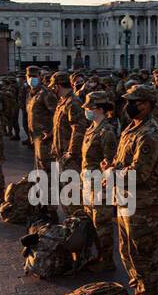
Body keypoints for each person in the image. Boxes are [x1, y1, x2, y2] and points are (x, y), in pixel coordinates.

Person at [107, 84, 158, 295]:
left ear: (148, 104)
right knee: (127, 251)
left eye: (135, 101)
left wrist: (113, 173)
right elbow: (122, 161)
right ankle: (138, 292)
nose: (129, 105)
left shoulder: (150, 134)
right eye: (128, 101)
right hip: (126, 200)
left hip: (143, 205)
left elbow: (139, 173)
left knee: (142, 255)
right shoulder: (132, 129)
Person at [81, 90, 119, 273]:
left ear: (98, 109)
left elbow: (110, 161)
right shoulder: (92, 128)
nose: (86, 110)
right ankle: (100, 255)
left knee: (102, 224)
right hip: (89, 181)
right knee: (93, 221)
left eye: (89, 107)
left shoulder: (106, 131)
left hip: (100, 184)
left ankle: (108, 260)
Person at [51, 71, 87, 217]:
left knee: (72, 193)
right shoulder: (63, 101)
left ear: (58, 85)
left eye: (53, 86)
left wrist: (71, 152)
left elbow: (79, 129)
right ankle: (73, 223)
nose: (52, 89)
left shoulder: (73, 102)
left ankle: (79, 225)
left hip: (70, 157)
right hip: (61, 153)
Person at [25, 66, 56, 172]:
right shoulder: (31, 93)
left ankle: (50, 187)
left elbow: (56, 113)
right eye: (29, 76)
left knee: (46, 165)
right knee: (39, 164)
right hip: (35, 135)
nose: (31, 79)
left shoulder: (46, 93)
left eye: (34, 76)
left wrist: (52, 132)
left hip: (45, 136)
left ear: (40, 77)